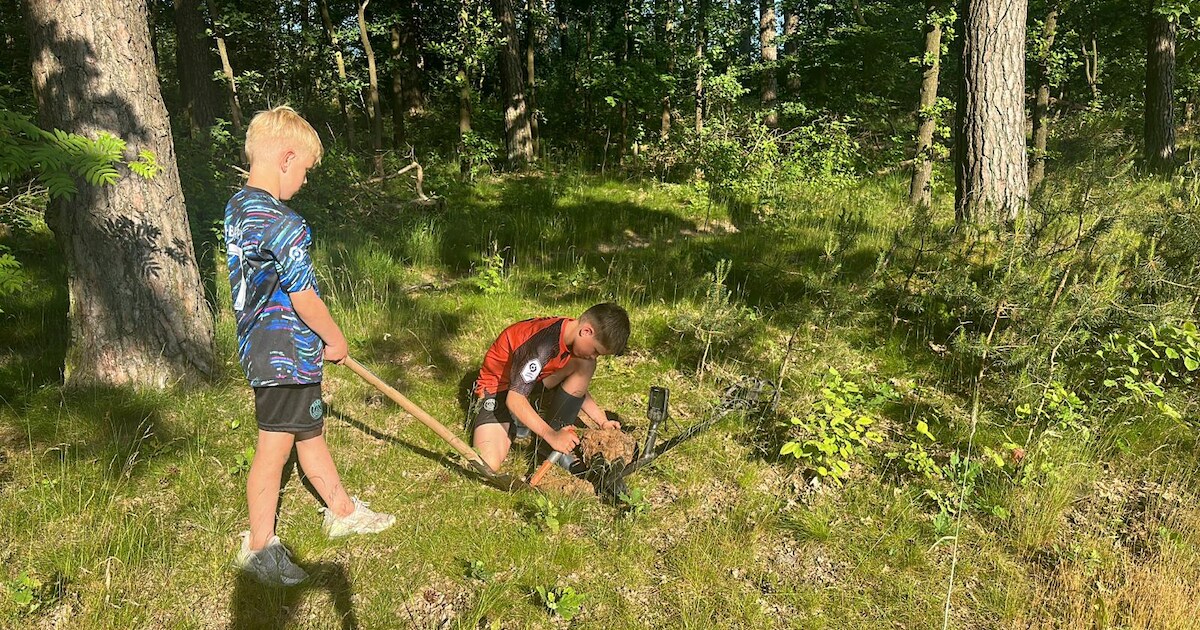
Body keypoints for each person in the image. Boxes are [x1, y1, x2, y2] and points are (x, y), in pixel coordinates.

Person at [225, 106, 394, 586]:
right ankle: (258, 547)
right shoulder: (285, 222)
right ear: (286, 157)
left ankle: (340, 509)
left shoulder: (238, 207)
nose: (302, 182)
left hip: (265, 347)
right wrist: (334, 337)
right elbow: (303, 294)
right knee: (273, 448)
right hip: (285, 354)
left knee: (309, 431)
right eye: (303, 172)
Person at [470, 303, 631, 472]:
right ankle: (529, 427)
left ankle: (548, 440)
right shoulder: (542, 345)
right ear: (586, 331)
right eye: (596, 351)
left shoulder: (569, 332)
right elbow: (514, 398)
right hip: (498, 391)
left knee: (585, 364)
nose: (594, 356)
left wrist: (602, 420)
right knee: (487, 464)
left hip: (528, 384)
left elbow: (580, 388)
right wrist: (551, 436)